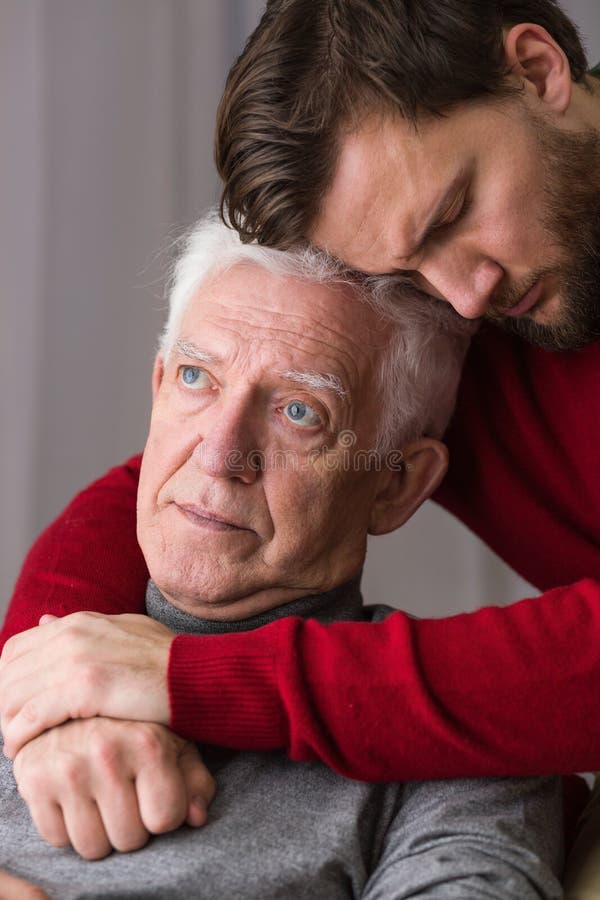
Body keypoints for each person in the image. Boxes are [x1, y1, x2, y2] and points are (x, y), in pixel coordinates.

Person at [2, 0, 600, 787]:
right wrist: (52, 697)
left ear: (537, 69)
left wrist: (197, 681)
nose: (461, 299)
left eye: (453, 213)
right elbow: (182, 482)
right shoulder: (469, 285)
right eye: (405, 268)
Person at [1, 213, 564, 899]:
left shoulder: (463, 757)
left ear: (396, 484)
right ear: (156, 389)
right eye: (195, 377)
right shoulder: (33, 658)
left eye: (299, 411)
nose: (218, 453)